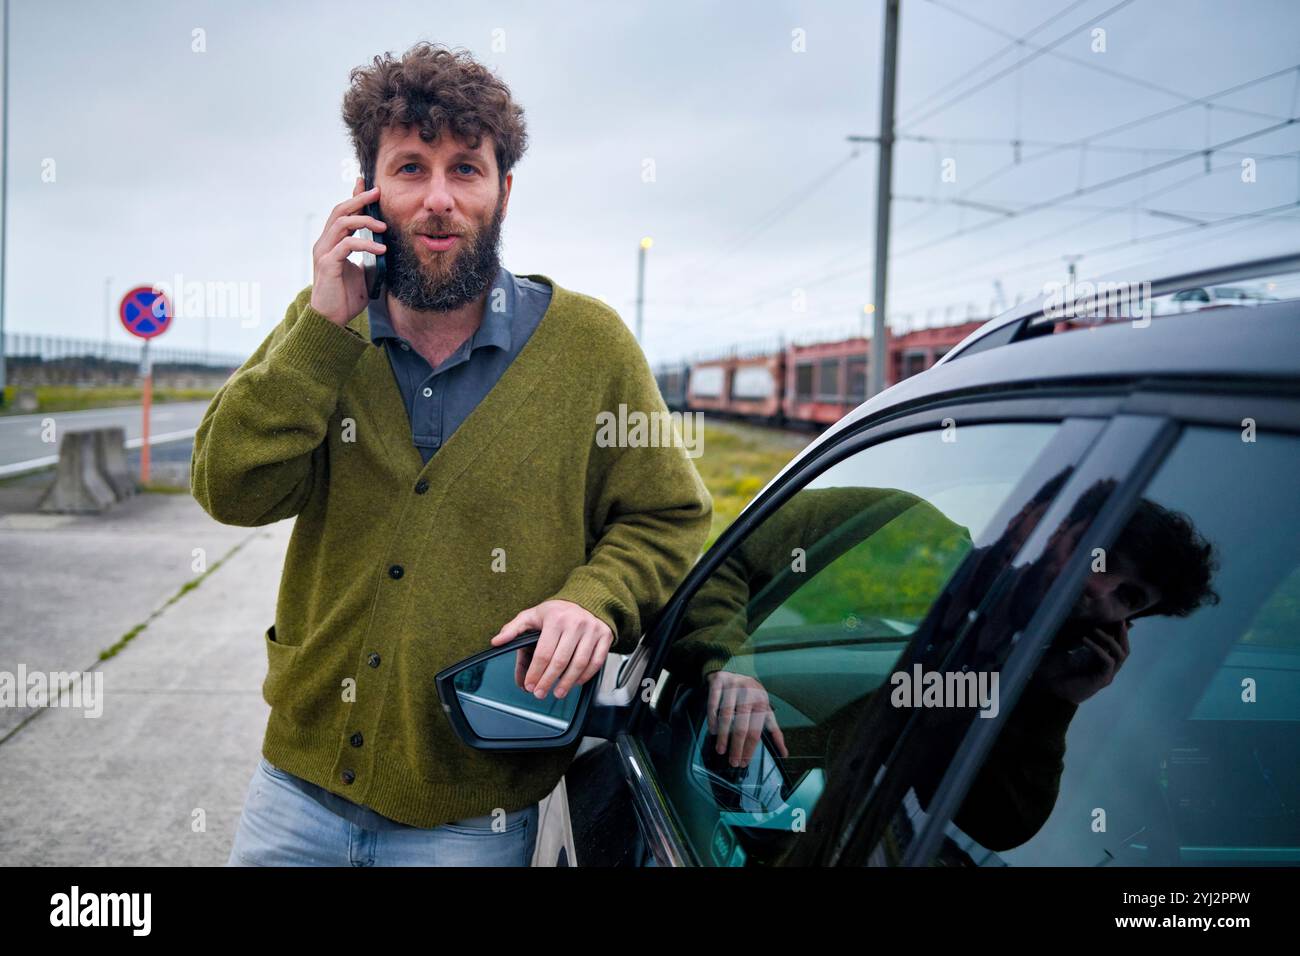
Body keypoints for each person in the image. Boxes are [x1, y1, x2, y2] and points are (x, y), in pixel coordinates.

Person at [196, 41, 712, 866]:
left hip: (474, 816)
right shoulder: (325, 327)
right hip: (295, 792)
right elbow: (230, 489)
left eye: (465, 170)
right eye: (409, 169)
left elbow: (668, 516)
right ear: (368, 191)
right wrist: (319, 334)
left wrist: (596, 598)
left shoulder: (590, 345)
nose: (438, 199)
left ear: (503, 191)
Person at [665, 476, 1217, 863]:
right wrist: (729, 664)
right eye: (1096, 556)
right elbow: (726, 560)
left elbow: (998, 827)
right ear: (1034, 520)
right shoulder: (893, 523)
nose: (1098, 589)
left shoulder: (1024, 687)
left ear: (1128, 626)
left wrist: (1054, 703)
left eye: (1129, 596)